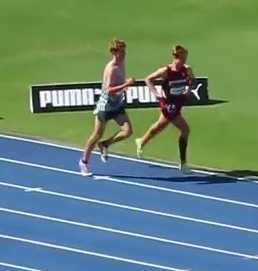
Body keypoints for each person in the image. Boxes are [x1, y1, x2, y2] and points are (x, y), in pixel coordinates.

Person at [134, 45, 197, 173]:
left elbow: (193, 81)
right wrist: (156, 94)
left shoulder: (187, 69)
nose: (185, 59)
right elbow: (148, 79)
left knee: (161, 125)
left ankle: (141, 141)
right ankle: (183, 163)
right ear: (178, 56)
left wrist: (189, 90)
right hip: (168, 103)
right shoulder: (166, 71)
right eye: (183, 56)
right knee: (185, 129)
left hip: (178, 102)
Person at [79, 39, 135, 177]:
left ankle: (105, 144)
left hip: (117, 104)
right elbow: (109, 89)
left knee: (127, 131)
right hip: (106, 106)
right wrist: (125, 85)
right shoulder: (111, 69)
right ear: (115, 53)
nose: (125, 54)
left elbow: (118, 82)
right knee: (96, 135)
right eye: (122, 52)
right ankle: (84, 162)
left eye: (125, 51)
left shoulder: (121, 64)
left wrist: (125, 83)